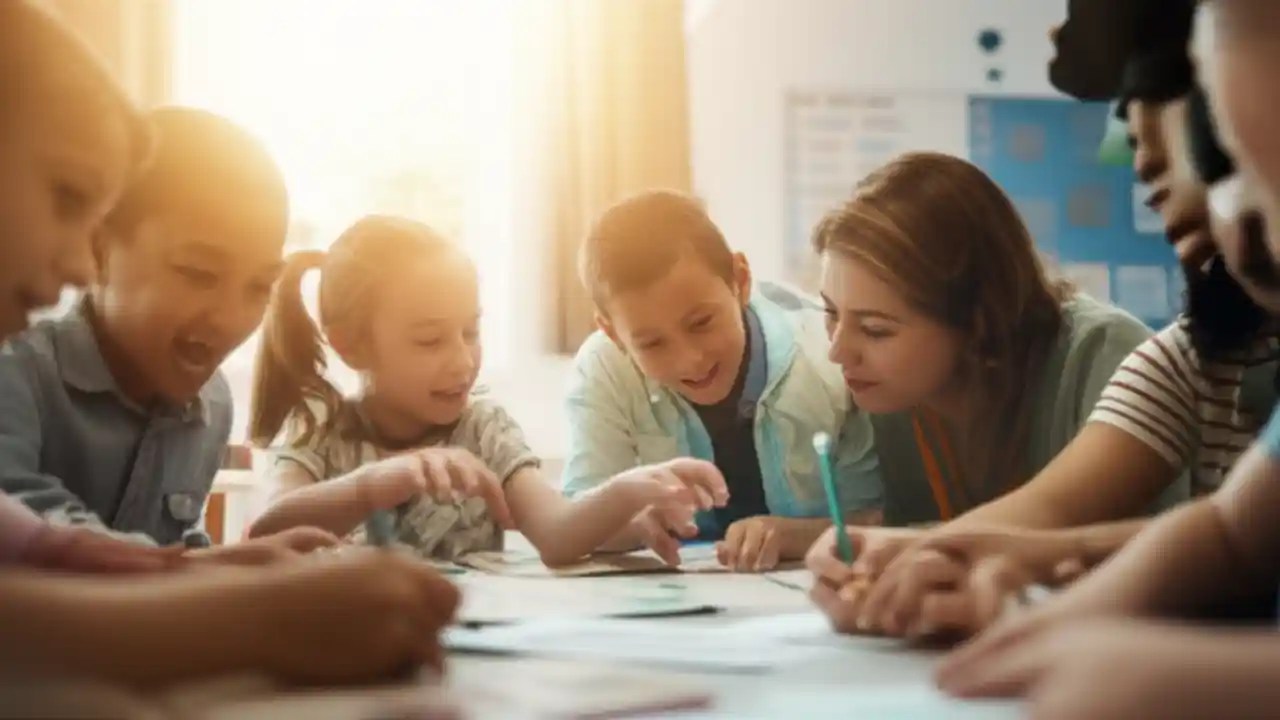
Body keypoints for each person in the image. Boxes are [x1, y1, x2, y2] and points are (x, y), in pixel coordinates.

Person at [0, 0, 458, 687]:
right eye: (196, 273)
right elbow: (32, 545)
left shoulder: (208, 405)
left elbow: (38, 542)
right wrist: (248, 611)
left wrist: (220, 566)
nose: (72, 266)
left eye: (257, 286)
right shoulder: (20, 366)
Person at [807, 0, 1280, 642]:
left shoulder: (1098, 348)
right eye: (1151, 176)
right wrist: (942, 560)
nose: (1160, 195)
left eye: (1233, 171)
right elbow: (1222, 538)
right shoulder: (1186, 359)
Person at [247, 215, 728, 567]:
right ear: (351, 346)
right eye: (430, 340)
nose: (462, 360)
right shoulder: (317, 425)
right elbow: (266, 532)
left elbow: (557, 535)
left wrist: (631, 489)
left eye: (471, 332)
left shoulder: (484, 429)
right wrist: (376, 483)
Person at [563, 190, 882, 572]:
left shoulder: (830, 358)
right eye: (651, 344)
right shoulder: (604, 368)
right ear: (613, 333)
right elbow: (575, 520)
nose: (690, 360)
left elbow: (880, 517)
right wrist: (629, 523)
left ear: (741, 281)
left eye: (701, 323)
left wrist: (792, 535)